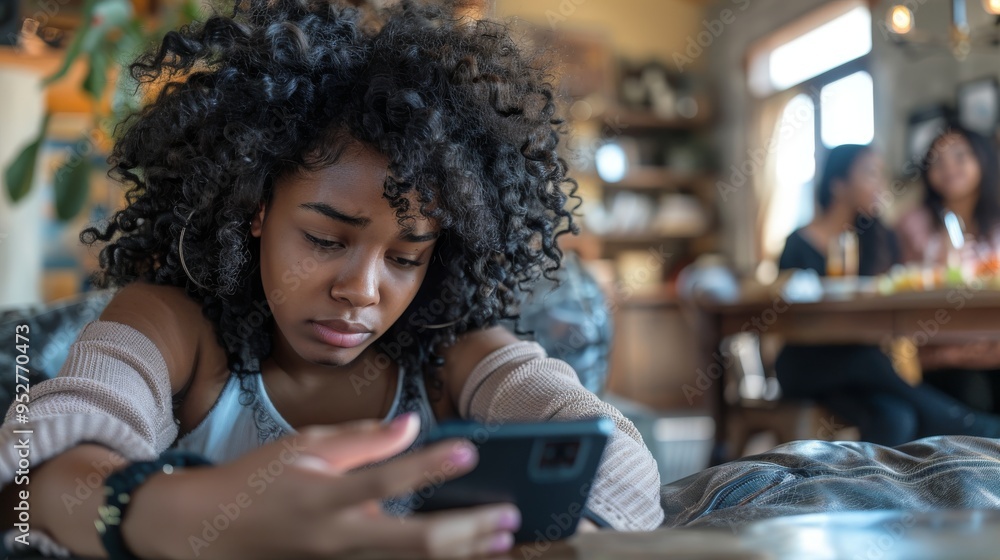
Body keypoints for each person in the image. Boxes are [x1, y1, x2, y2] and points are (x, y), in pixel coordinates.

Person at [0, 2, 663, 558]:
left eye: (406, 257)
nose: (362, 290)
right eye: (325, 238)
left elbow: (621, 468)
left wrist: (571, 540)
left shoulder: (453, 360)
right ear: (256, 208)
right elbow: (34, 476)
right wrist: (196, 514)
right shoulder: (177, 330)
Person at [774, 144, 1000, 446]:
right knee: (868, 359)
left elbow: (896, 287)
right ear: (839, 185)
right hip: (809, 364)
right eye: (870, 174)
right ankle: (972, 427)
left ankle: (869, 493)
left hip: (863, 373)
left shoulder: (877, 241)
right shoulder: (798, 244)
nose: (880, 185)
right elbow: (790, 315)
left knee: (896, 416)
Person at [896, 125, 1000, 412]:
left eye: (959, 156)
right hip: (943, 357)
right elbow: (907, 290)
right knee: (974, 409)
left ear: (983, 159)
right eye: (937, 161)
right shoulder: (913, 225)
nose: (948, 167)